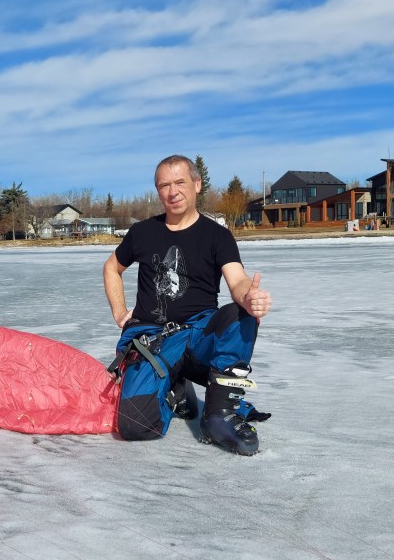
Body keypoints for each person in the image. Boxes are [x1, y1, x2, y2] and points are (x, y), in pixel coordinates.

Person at [103, 154, 272, 454]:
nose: (173, 191)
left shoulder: (217, 235)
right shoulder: (142, 232)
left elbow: (237, 281)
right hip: (153, 339)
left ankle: (220, 416)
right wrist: (120, 313)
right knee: (135, 426)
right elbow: (111, 268)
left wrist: (249, 297)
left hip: (198, 336)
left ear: (196, 184)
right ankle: (175, 388)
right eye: (164, 185)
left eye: (180, 182)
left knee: (240, 316)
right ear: (158, 191)